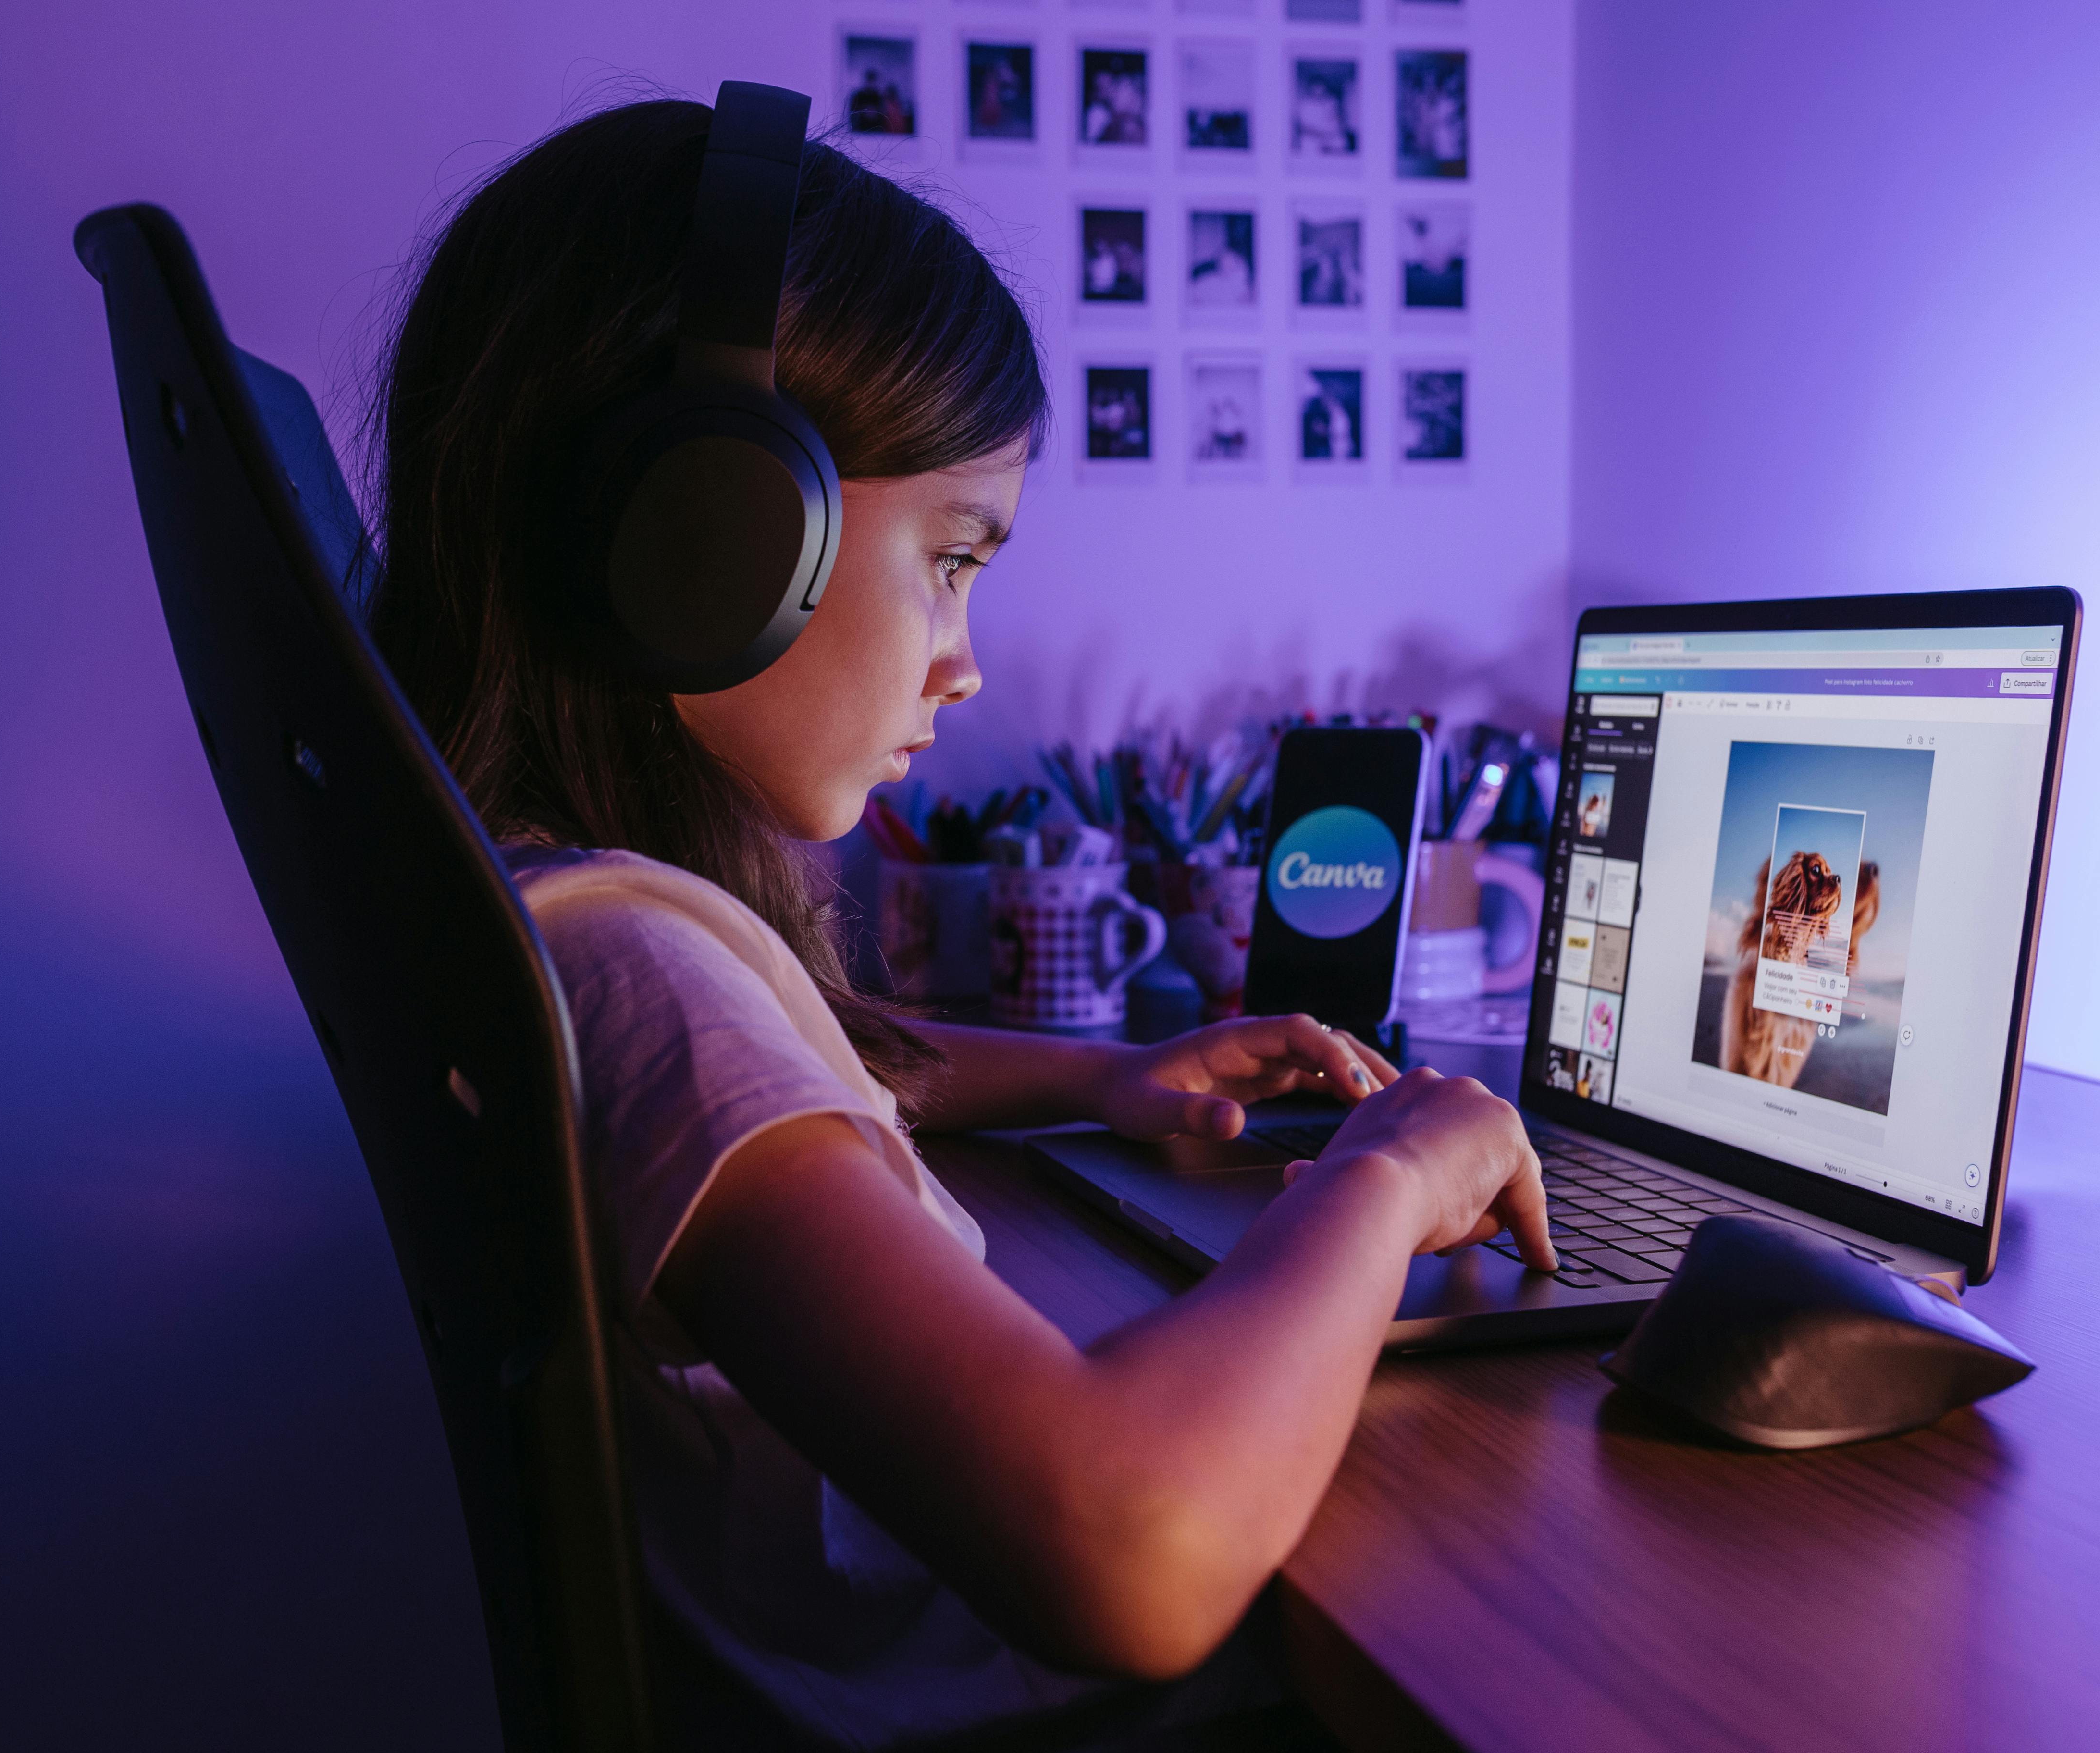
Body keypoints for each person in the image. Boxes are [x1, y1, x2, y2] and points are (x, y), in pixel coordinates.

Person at [370, 96, 1554, 1749]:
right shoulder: (633, 967)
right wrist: (1379, 1179)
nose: (966, 659)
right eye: (950, 560)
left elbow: (799, 1088)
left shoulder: (578, 922)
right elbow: (1129, 1550)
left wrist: (1107, 1075)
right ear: (700, 543)